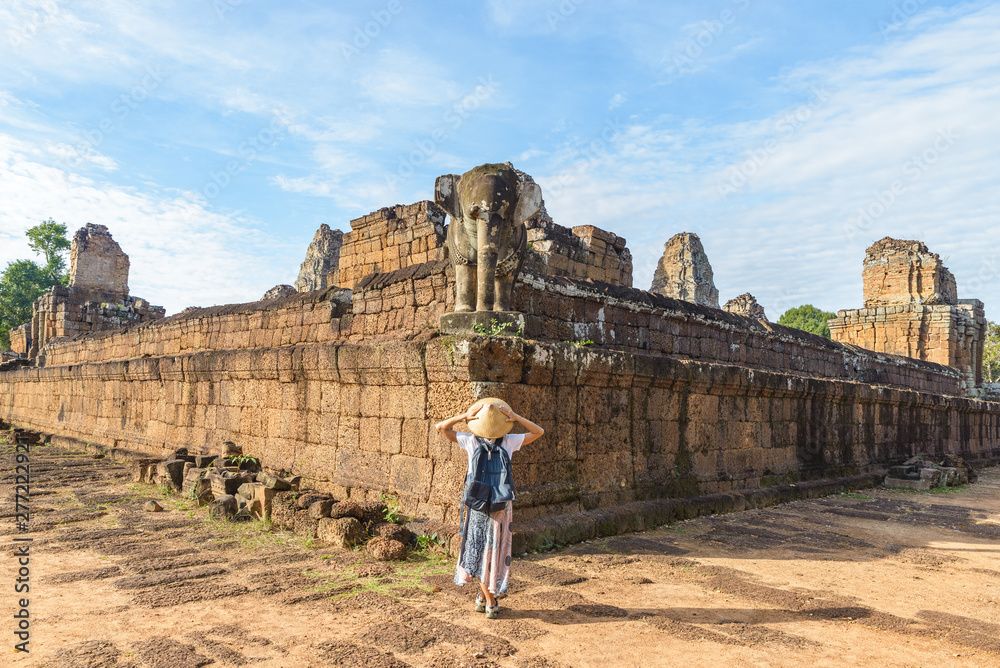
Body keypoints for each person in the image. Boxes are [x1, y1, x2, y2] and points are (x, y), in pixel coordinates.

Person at [435, 398, 544, 619]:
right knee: (493, 552)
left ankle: (486, 599)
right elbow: (539, 431)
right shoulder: (510, 441)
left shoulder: (470, 441)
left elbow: (441, 427)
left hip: (477, 504)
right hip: (501, 505)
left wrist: (463, 417)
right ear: (503, 422)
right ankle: (488, 599)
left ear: (478, 423)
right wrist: (517, 418)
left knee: (479, 551)